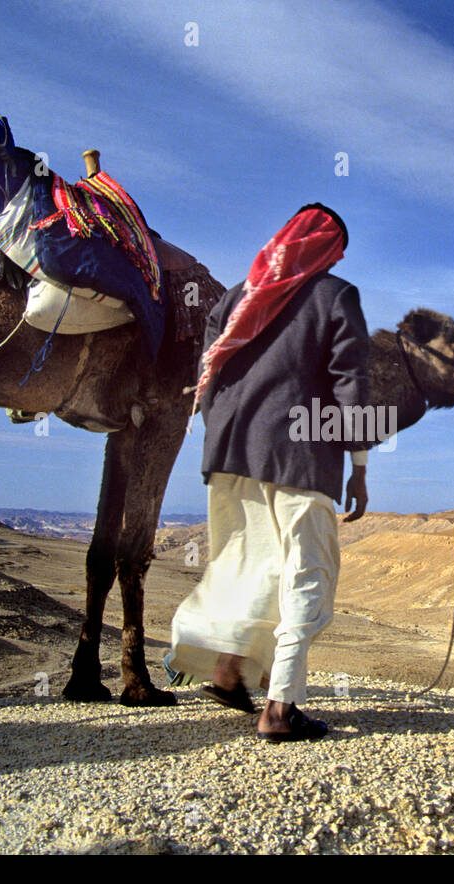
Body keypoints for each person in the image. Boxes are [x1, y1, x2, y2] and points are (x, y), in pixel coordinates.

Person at [168, 203, 370, 742]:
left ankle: (227, 673)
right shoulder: (336, 296)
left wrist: (224, 428)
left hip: (229, 451)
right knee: (308, 571)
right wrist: (359, 465)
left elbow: (206, 370)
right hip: (299, 457)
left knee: (247, 566)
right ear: (330, 250)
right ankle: (281, 708)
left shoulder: (238, 296)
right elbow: (351, 383)